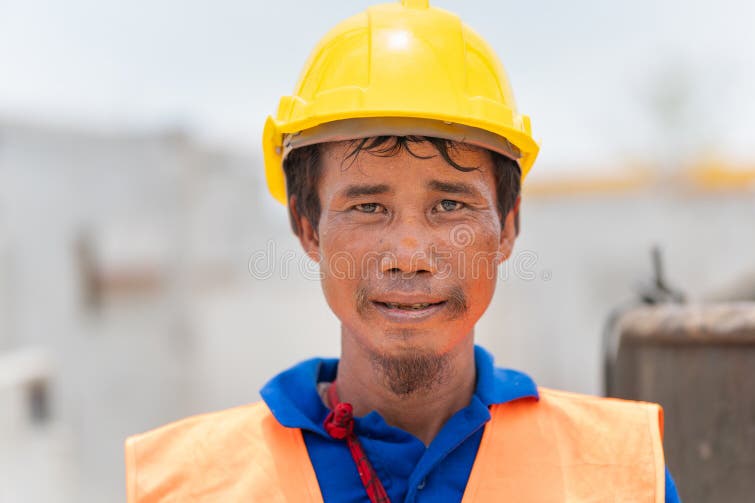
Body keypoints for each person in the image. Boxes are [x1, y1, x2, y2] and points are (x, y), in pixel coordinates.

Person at [125, 1, 681, 501]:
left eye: (449, 206)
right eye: (368, 207)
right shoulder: (185, 485)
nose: (409, 254)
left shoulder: (621, 476)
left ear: (508, 227)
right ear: (307, 226)